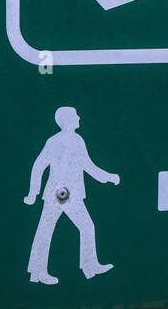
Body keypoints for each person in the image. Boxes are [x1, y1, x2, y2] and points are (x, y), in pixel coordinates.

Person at [24, 106, 119, 285]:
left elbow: (87, 165)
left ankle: (88, 266)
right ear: (67, 120)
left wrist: (108, 177)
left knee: (80, 227)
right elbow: (39, 165)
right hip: (57, 193)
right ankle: (39, 272)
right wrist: (32, 192)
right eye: (75, 116)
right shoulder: (54, 141)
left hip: (71, 193)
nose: (79, 118)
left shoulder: (78, 140)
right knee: (50, 230)